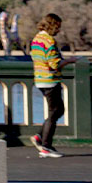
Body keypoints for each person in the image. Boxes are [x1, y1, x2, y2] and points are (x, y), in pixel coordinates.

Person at [30, 12, 72, 158]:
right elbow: (55, 64)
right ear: (52, 26)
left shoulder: (36, 39)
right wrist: (72, 60)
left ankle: (40, 137)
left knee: (57, 110)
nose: (59, 30)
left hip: (40, 79)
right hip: (50, 80)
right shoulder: (49, 41)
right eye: (58, 27)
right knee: (55, 112)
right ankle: (45, 146)